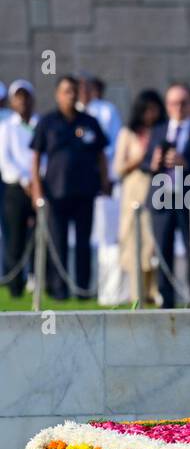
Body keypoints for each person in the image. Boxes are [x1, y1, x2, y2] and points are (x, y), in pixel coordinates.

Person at [29, 76, 111, 300]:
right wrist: (37, 191)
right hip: (56, 193)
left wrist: (105, 182)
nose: (71, 95)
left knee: (84, 242)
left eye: (74, 91)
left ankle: (83, 289)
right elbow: (35, 158)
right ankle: (58, 289)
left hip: (85, 192)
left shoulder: (89, 121)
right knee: (58, 242)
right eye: (66, 91)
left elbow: (101, 154)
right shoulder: (47, 122)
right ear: (57, 94)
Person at [143, 82, 190, 308]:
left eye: (183, 103)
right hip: (162, 196)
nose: (178, 108)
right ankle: (166, 300)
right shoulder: (159, 130)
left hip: (189, 196)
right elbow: (145, 163)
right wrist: (152, 163)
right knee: (163, 250)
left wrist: (186, 163)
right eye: (173, 103)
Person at [112, 89, 164, 304]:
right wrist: (141, 157)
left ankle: (153, 290)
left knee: (153, 241)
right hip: (134, 191)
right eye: (146, 110)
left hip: (158, 190)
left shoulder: (162, 132)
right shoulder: (128, 133)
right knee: (135, 241)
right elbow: (118, 168)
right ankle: (137, 293)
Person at [0, 80, 37, 298]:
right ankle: (16, 286)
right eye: (18, 98)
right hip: (16, 188)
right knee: (15, 237)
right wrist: (25, 180)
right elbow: (5, 160)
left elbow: (42, 155)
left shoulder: (39, 124)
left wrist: (36, 180)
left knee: (39, 237)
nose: (22, 102)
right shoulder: (7, 127)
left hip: (38, 186)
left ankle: (36, 278)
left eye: (26, 97)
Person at [81, 77, 122, 166]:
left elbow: (116, 138)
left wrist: (102, 157)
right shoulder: (77, 109)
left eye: (87, 88)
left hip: (104, 162)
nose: (84, 92)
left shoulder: (108, 109)